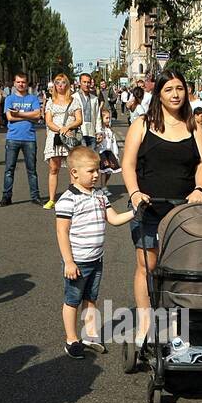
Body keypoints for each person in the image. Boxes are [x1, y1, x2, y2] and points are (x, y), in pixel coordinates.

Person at [120, 69, 202, 343]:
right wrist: (134, 193)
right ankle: (145, 325)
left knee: (180, 268)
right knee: (146, 265)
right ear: (159, 93)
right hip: (148, 206)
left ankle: (173, 322)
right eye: (169, 89)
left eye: (180, 89)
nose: (175, 94)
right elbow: (128, 164)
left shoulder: (194, 126)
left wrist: (200, 189)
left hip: (183, 211)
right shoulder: (142, 124)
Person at [55, 145, 135, 357]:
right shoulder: (67, 199)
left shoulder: (100, 195)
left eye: (97, 170)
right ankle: (71, 339)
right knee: (72, 300)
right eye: (90, 171)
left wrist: (135, 212)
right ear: (74, 173)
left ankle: (90, 335)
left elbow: (114, 219)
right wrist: (69, 262)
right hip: (77, 261)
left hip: (96, 259)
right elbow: (62, 233)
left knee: (91, 299)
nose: (96, 175)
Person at [0, 72, 42, 207]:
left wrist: (19, 113)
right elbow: (10, 117)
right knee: (9, 169)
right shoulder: (9, 99)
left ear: (27, 83)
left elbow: (38, 115)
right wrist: (28, 116)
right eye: (18, 82)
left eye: (23, 82)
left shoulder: (33, 98)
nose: (21, 84)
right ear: (14, 83)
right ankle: (7, 196)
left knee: (32, 170)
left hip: (29, 138)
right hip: (13, 137)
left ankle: (35, 196)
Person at [43, 72, 82, 209]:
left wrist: (68, 127)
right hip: (55, 138)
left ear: (68, 84)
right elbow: (48, 121)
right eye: (57, 83)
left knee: (72, 168)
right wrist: (60, 129)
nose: (60, 85)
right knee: (54, 168)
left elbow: (79, 119)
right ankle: (52, 199)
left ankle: (74, 197)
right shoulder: (50, 102)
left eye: (63, 82)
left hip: (70, 138)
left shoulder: (74, 101)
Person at [96, 109, 120, 189]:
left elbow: (113, 142)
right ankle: (103, 187)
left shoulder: (110, 130)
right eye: (106, 118)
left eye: (109, 118)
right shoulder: (100, 130)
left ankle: (104, 184)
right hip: (102, 152)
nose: (108, 120)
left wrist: (116, 153)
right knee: (105, 170)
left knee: (110, 170)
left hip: (110, 152)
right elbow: (97, 142)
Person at [76, 72, 102, 149]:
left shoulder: (94, 99)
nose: (86, 84)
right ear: (79, 83)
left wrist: (99, 131)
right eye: (84, 82)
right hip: (79, 133)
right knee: (82, 159)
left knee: (92, 159)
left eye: (88, 82)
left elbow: (97, 116)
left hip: (92, 132)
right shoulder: (74, 97)